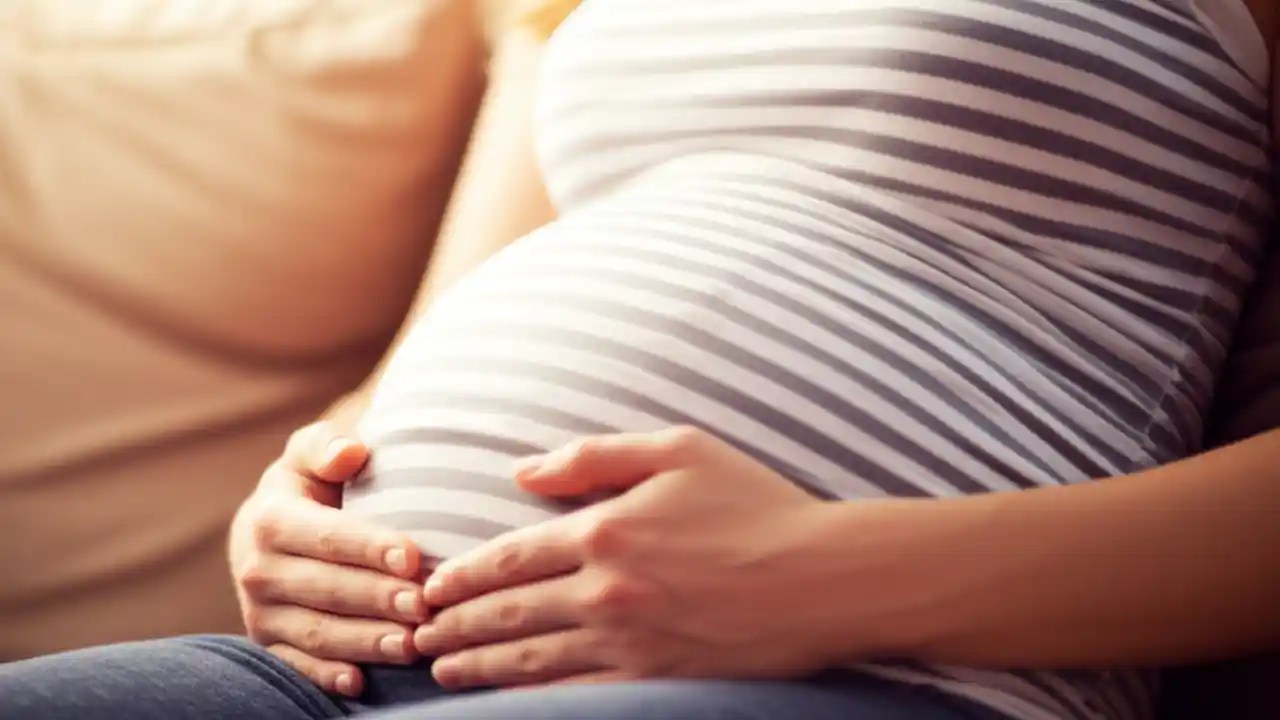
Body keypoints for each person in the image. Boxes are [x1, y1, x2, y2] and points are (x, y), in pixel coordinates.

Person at [2, 0, 1277, 718]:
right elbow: (421, 356)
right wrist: (295, 502)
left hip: (881, 678)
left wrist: (814, 582)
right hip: (346, 670)